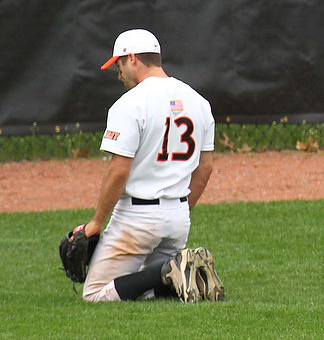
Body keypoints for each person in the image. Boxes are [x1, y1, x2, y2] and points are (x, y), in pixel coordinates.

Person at [81, 28, 224, 303]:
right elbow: (205, 169)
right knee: (140, 291)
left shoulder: (130, 103)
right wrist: (179, 208)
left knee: (96, 295)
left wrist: (97, 221)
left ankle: (165, 273)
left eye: (119, 64)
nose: (118, 74)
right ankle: (179, 274)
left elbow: (119, 170)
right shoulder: (199, 101)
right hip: (179, 217)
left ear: (132, 58)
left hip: (137, 220)